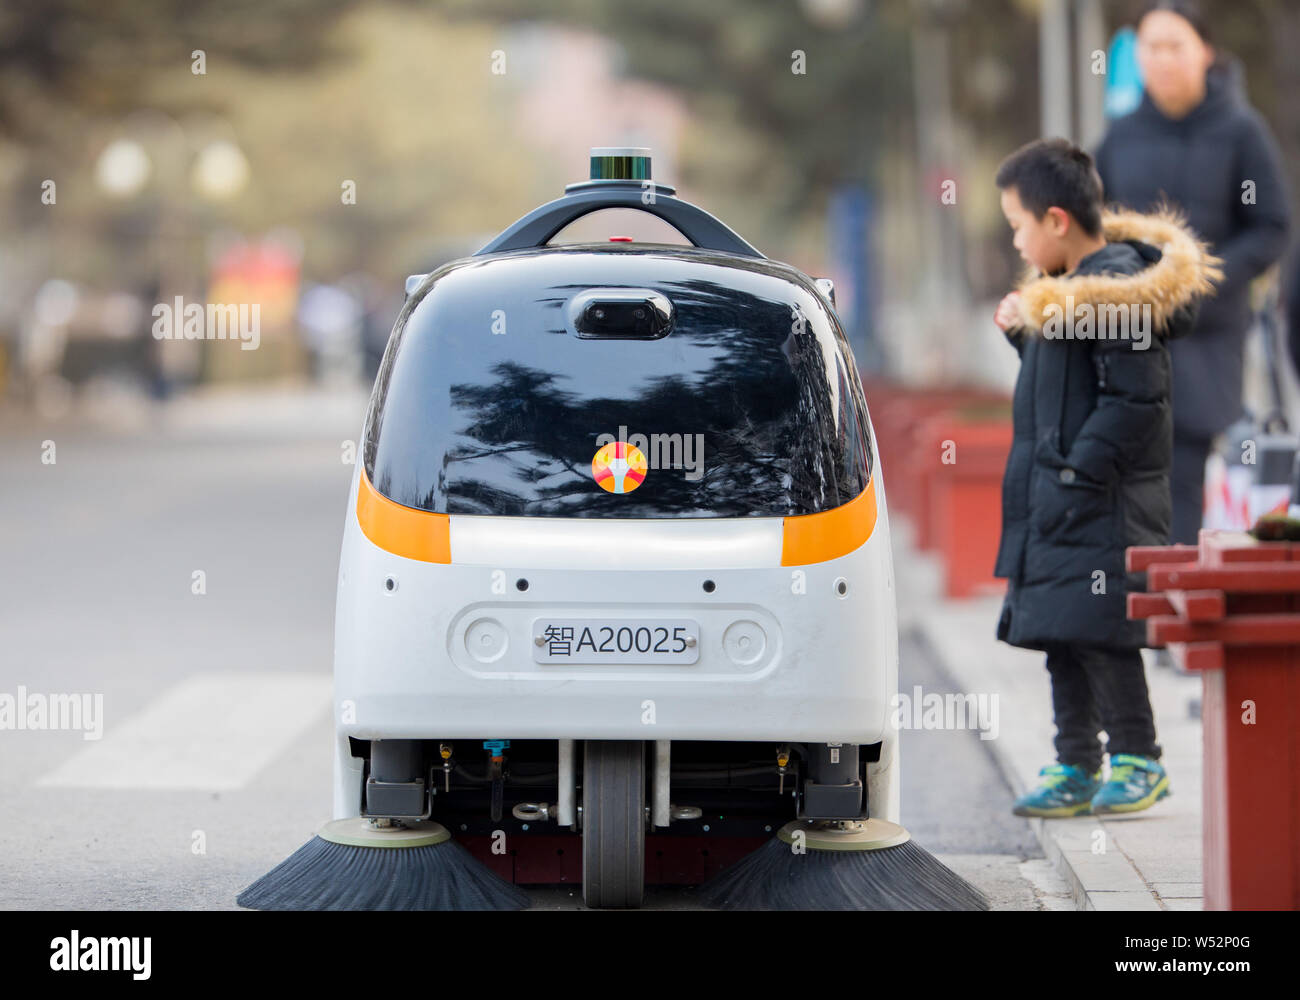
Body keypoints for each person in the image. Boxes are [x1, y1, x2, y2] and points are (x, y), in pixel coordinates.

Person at [991, 138, 1220, 816]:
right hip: (1060, 497)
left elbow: (1134, 402)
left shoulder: (1114, 290)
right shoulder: (1061, 294)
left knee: (1102, 632)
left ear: (1056, 220)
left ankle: (1138, 758)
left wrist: (1075, 472)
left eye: (1018, 227)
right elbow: (1067, 383)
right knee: (1060, 630)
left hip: (1098, 498)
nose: (1017, 243)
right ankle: (1074, 761)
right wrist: (1021, 333)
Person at [1094, 0, 1291, 545]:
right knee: (1129, 467)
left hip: (1207, 339)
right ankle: (1136, 606)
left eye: (1175, 45)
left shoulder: (1242, 132)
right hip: (1130, 335)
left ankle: (1173, 606)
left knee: (1181, 468)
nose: (1162, 60)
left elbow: (1271, 225)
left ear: (1205, 51)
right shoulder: (1120, 135)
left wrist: (1206, 278)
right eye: (1150, 48)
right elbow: (1090, 226)